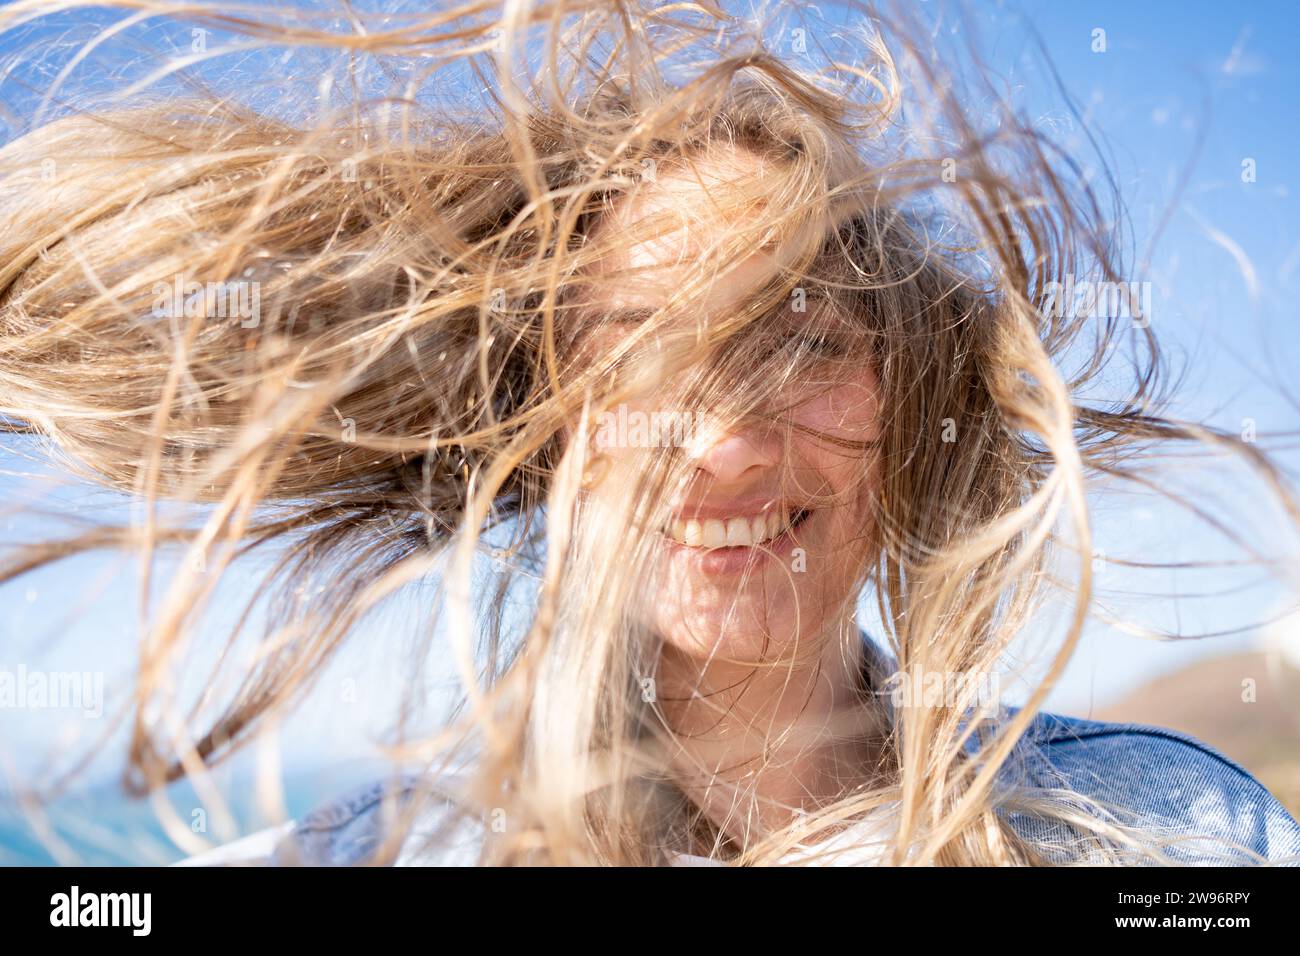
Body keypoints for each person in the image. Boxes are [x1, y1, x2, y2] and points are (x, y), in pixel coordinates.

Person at [1, 0, 1297, 866]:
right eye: (639, 347)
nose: (724, 443)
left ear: (905, 397)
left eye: (803, 340)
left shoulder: (1167, 835)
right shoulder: (380, 854)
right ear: (553, 418)